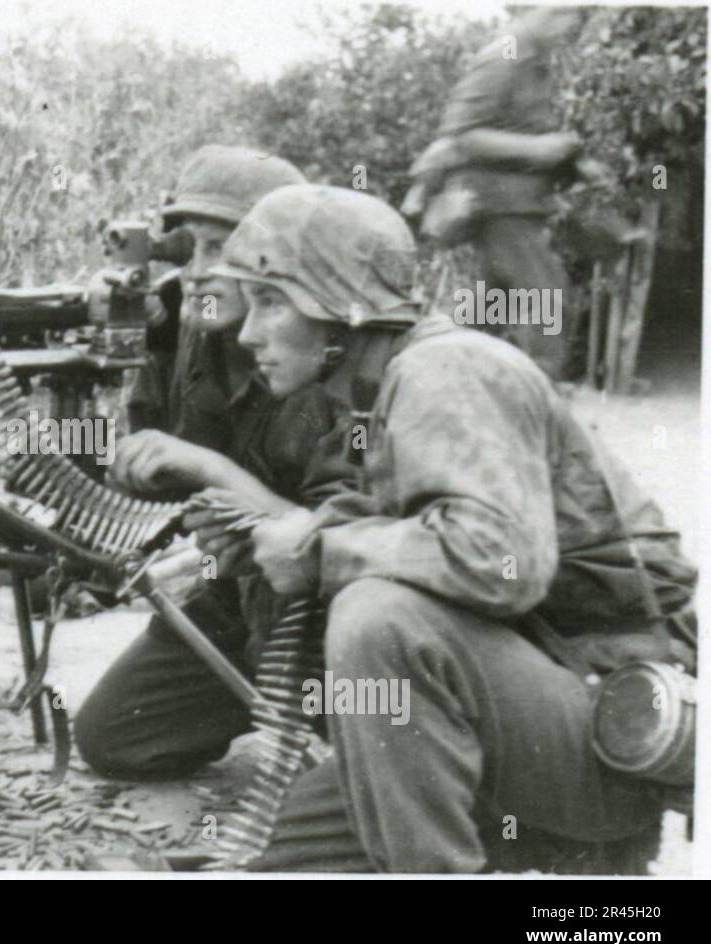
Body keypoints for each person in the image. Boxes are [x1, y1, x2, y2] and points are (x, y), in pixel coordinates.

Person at [187, 182, 696, 872]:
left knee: (381, 619)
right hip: (525, 717)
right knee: (281, 859)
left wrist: (319, 551)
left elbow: (498, 558)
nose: (249, 334)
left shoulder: (445, 370)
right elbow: (403, 530)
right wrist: (269, 542)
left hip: (602, 738)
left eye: (272, 301)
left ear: (345, 306)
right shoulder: (383, 391)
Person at [73, 145, 353, 780]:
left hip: (327, 609)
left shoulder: (326, 351)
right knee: (113, 737)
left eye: (217, 249)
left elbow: (339, 542)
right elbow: (149, 464)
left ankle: (325, 727)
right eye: (189, 249)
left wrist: (211, 471)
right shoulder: (188, 330)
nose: (197, 272)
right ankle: (266, 701)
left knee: (361, 770)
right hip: (238, 594)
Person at [409, 5, 606, 381]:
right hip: (497, 206)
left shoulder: (534, 60)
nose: (573, 25)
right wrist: (538, 149)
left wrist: (573, 163)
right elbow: (460, 134)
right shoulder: (505, 55)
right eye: (566, 14)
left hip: (514, 205)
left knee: (484, 312)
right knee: (549, 301)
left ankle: (441, 382)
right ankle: (542, 401)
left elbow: (523, 129)